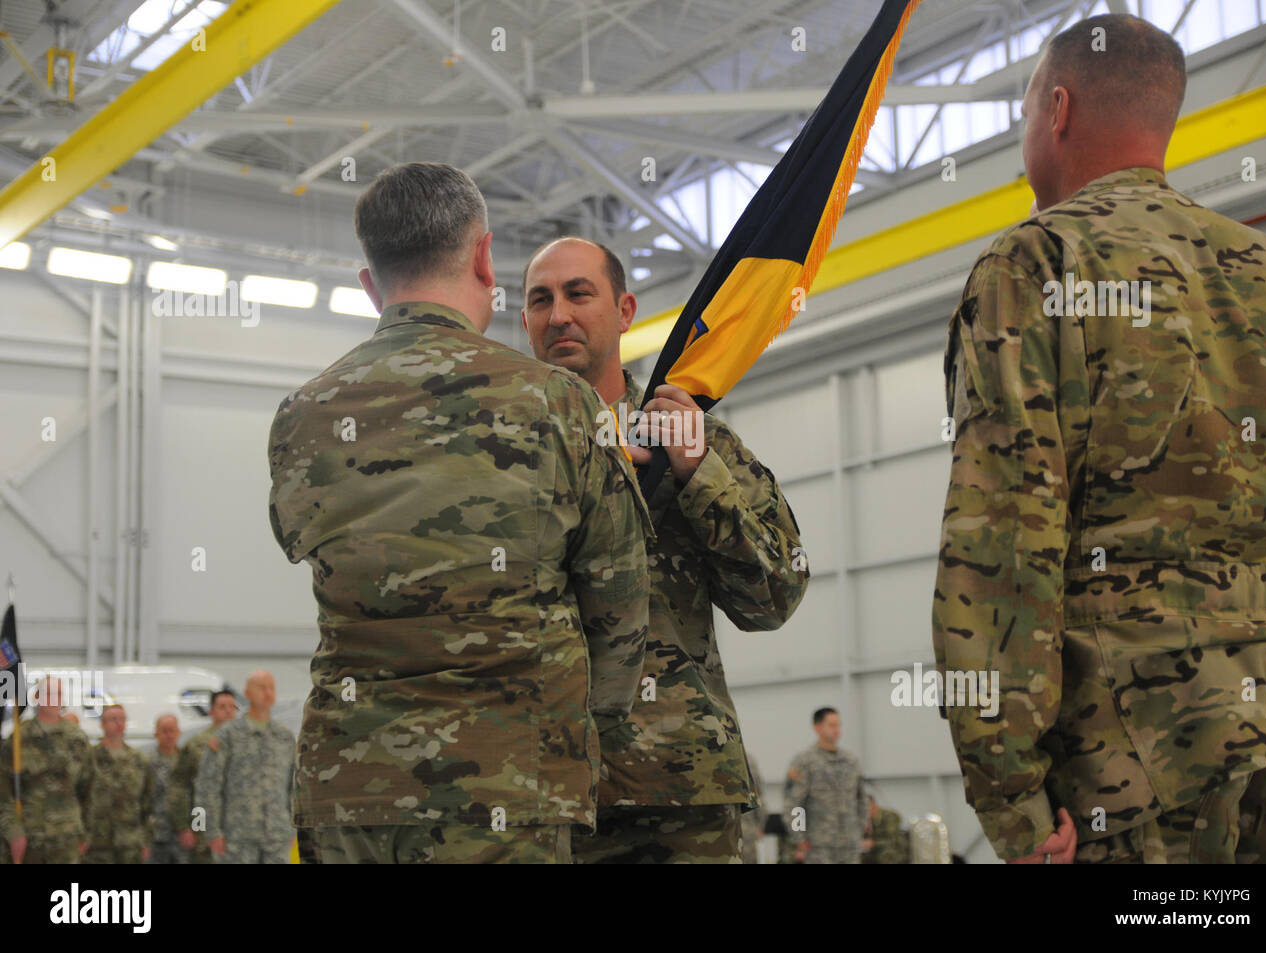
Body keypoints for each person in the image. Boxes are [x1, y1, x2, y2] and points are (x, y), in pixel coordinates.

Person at [933, 12, 1266, 864]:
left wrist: (1012, 794)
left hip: (1135, 768)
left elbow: (1003, 545)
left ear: (1056, 109)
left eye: (1025, 111)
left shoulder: (1037, 264)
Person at [268, 162, 651, 864]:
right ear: (484, 256)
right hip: (507, 788)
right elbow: (619, 605)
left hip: (348, 789)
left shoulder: (302, 416)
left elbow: (306, 547)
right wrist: (585, 725)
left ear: (369, 284)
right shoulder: (558, 403)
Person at [523, 236, 807, 863]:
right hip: (543, 792)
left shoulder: (692, 439)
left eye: (578, 293)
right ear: (524, 321)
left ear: (624, 310)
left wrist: (697, 473)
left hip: (682, 790)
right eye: (541, 300)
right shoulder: (506, 454)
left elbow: (774, 595)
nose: (559, 314)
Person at [194, 671, 295, 864]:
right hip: (237, 837)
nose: (267, 692)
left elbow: (293, 786)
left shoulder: (284, 737)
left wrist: (291, 827)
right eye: (261, 687)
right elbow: (208, 785)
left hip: (276, 834)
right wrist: (212, 831)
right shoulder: (227, 736)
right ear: (247, 693)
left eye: (271, 688)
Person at [0, 676, 92, 863]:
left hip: (67, 838)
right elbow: (3, 791)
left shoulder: (77, 739)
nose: (53, 698)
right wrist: (13, 832)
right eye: (47, 693)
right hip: (30, 839)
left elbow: (89, 791)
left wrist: (86, 833)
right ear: (36, 697)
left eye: (58, 693)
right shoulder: (19, 739)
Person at [783, 707, 868, 864]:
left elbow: (862, 799)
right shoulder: (804, 762)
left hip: (849, 845)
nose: (837, 730)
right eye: (832, 725)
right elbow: (794, 804)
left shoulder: (851, 761)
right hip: (818, 846)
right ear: (817, 727)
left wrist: (860, 828)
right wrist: (799, 837)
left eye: (839, 725)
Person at [168, 687, 237, 864]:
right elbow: (178, 785)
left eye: (232, 706)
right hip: (203, 825)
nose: (228, 711)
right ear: (212, 711)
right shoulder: (197, 745)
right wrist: (183, 826)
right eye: (223, 706)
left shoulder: (249, 745)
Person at [85, 704, 153, 863]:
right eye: (113, 719)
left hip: (130, 841)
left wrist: (146, 840)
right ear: (102, 724)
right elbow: (80, 797)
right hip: (97, 842)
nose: (118, 723)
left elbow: (147, 802)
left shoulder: (139, 760)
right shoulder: (90, 758)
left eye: (122, 719)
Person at [148, 713, 183, 864]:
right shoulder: (146, 763)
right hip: (156, 835)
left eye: (172, 730)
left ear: (179, 733)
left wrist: (197, 829)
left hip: (183, 835)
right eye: (164, 731)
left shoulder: (188, 761)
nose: (169, 735)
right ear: (156, 734)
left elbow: (198, 799)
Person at [860, 791, 908, 864]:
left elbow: (892, 840)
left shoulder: (889, 817)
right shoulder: (864, 820)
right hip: (873, 851)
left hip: (893, 849)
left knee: (886, 855)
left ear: (873, 804)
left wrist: (873, 843)